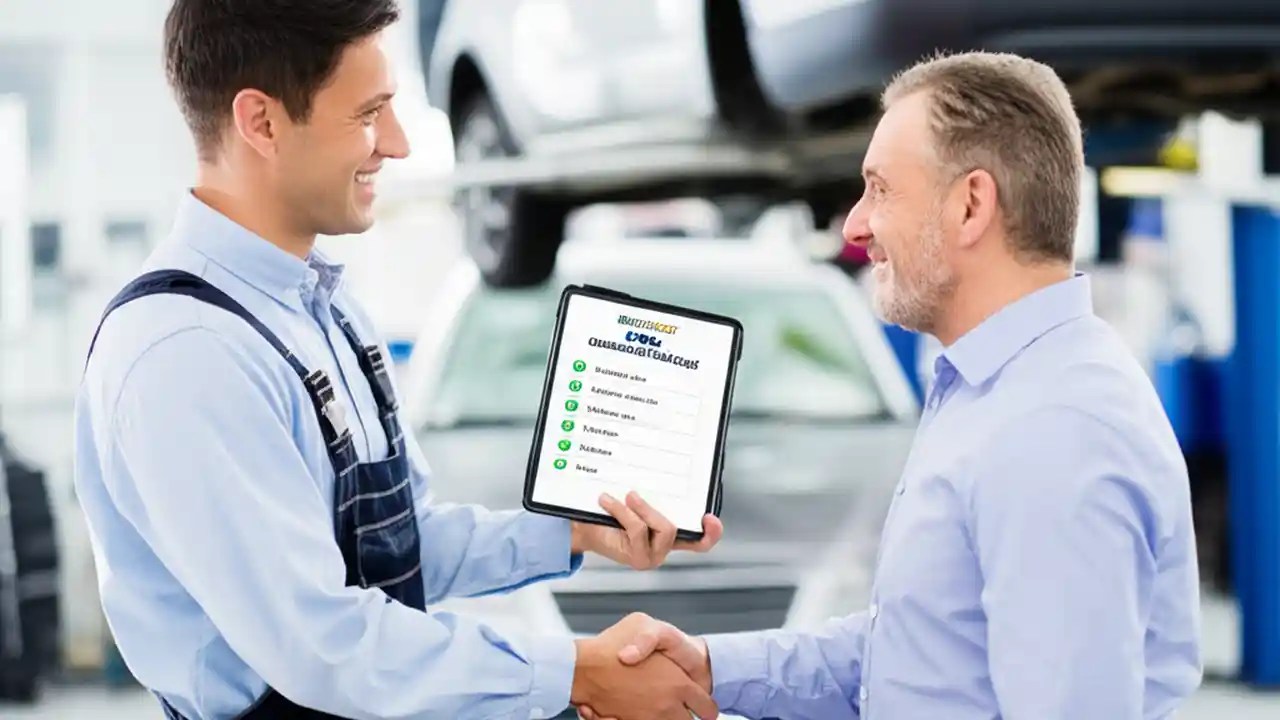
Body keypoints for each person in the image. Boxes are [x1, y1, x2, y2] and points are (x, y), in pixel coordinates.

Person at [73, 2, 723, 718]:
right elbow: (324, 646)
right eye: (369, 113)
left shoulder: (327, 308)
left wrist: (571, 531)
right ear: (260, 122)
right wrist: (576, 671)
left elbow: (402, 548)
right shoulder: (186, 358)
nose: (400, 143)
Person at [580, 50, 1204, 720]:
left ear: (971, 206)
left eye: (880, 189)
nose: (854, 226)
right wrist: (710, 669)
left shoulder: (1053, 429)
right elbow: (919, 652)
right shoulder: (997, 393)